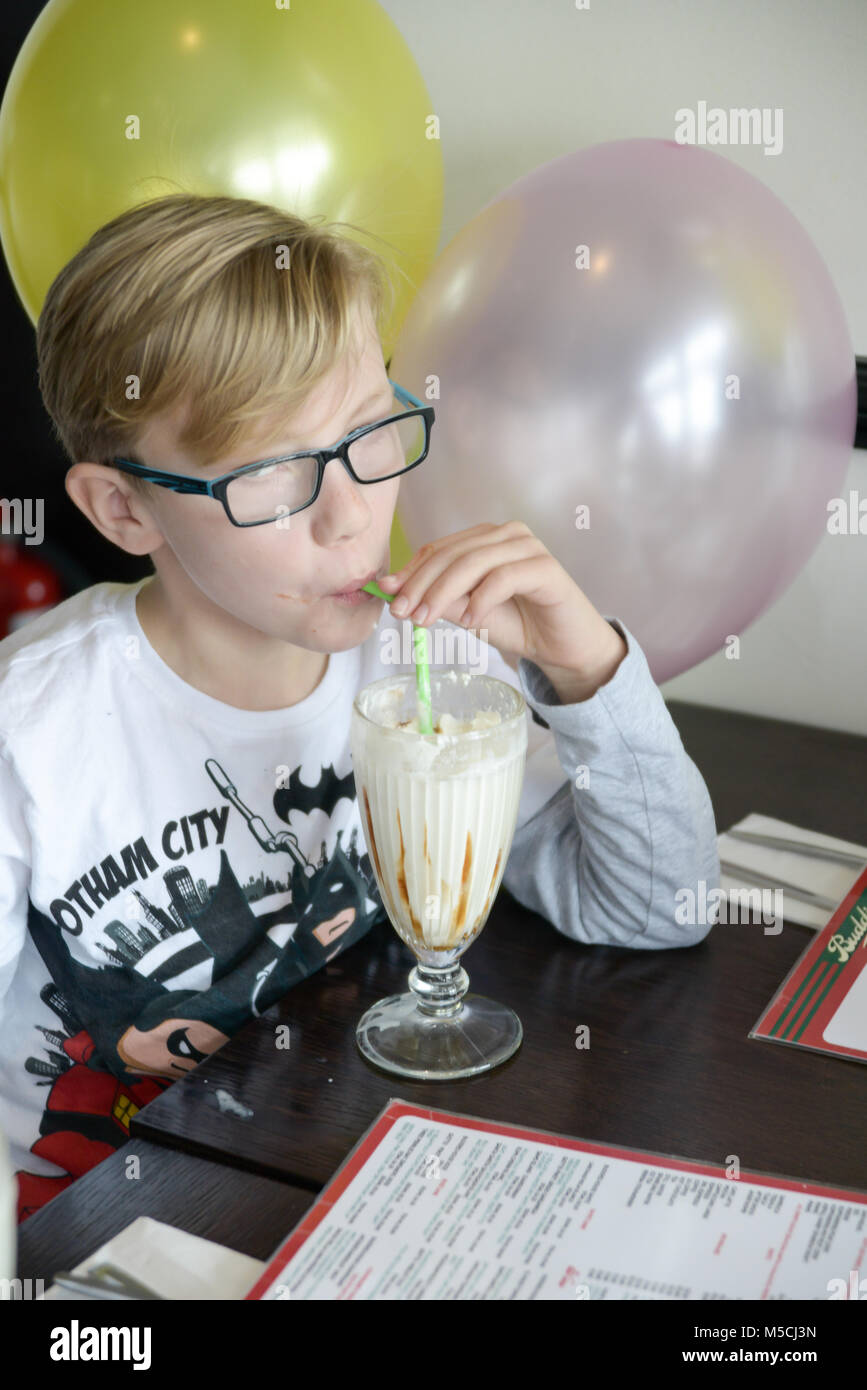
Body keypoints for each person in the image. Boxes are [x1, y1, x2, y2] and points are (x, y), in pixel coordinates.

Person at [0, 194, 720, 1223]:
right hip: (93, 1213)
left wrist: (587, 668)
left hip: (336, 1176)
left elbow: (657, 909)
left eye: (367, 433)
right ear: (125, 507)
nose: (352, 519)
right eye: (276, 474)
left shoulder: (432, 661)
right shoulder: (30, 732)